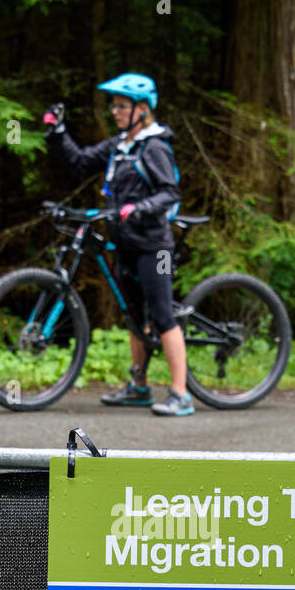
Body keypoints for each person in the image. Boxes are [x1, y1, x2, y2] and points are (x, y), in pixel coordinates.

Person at [43, 73, 194, 416]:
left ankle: (181, 394)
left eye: (121, 105)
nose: (114, 111)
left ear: (143, 109)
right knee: (133, 315)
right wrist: (58, 132)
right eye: (113, 105)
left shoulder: (154, 146)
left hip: (155, 247)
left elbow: (169, 193)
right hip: (125, 244)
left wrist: (138, 208)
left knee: (162, 315)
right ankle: (139, 387)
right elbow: (80, 162)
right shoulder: (119, 146)